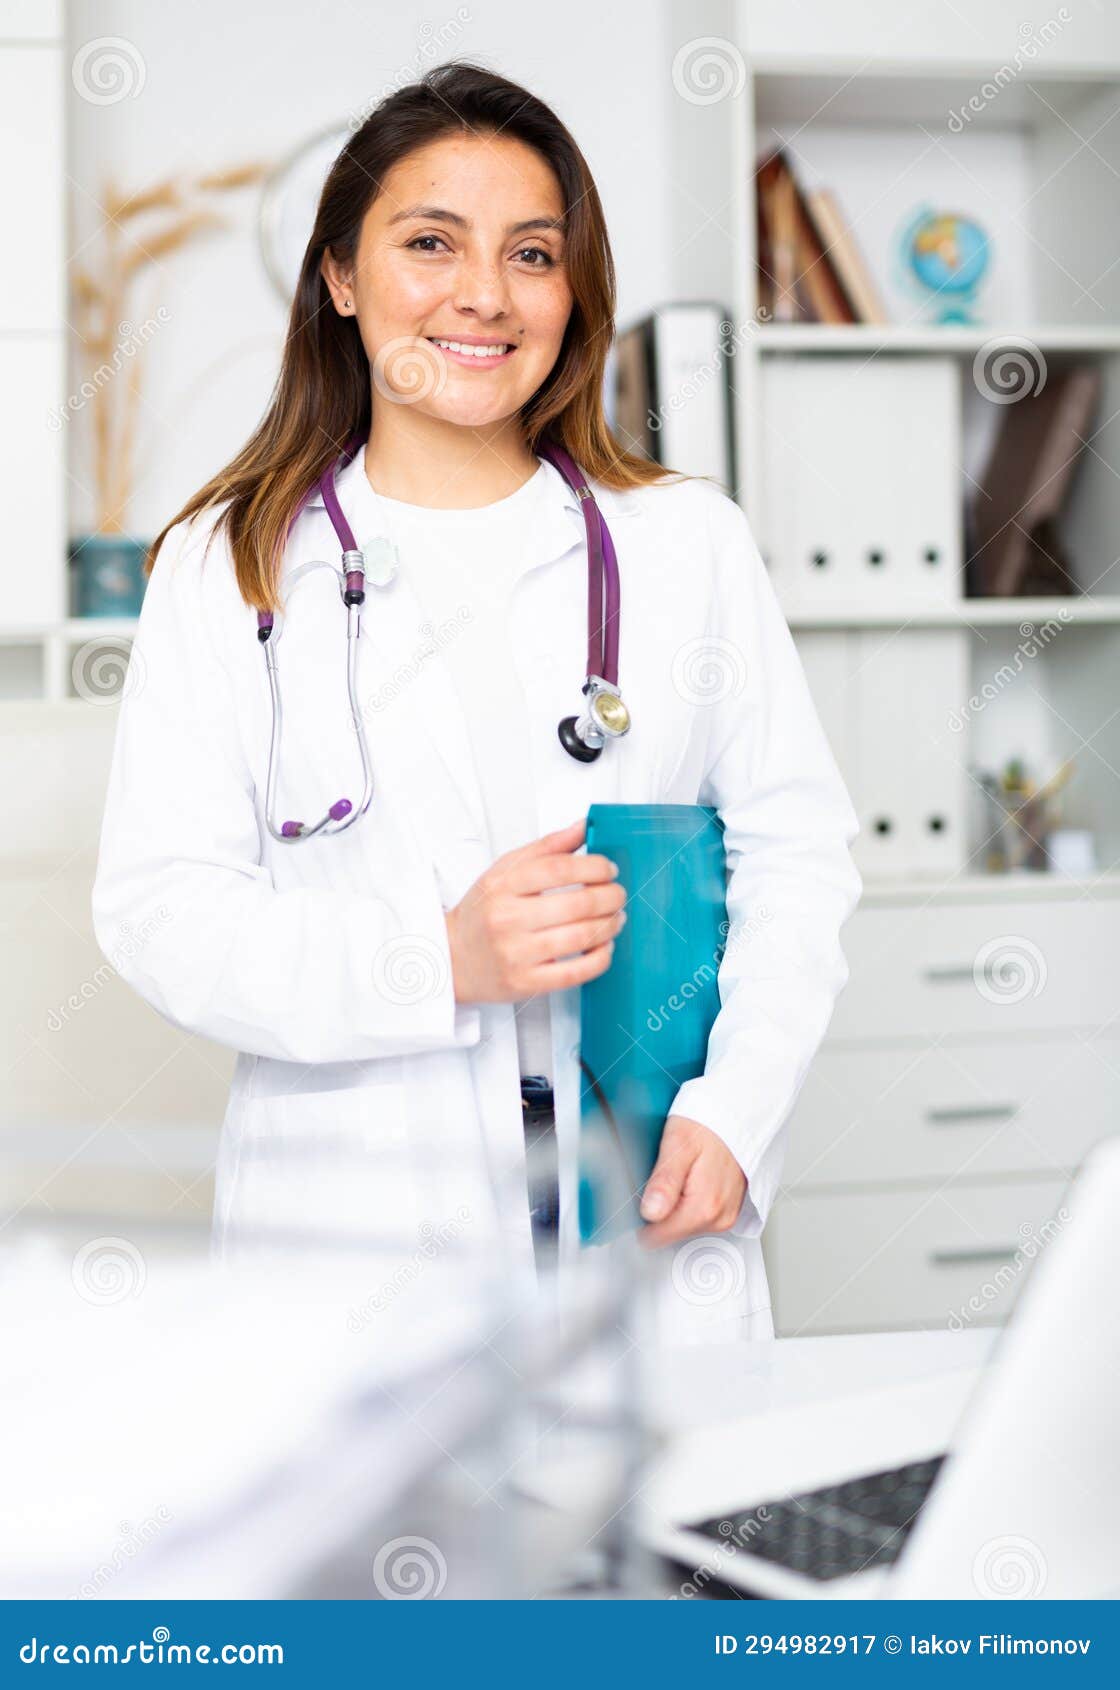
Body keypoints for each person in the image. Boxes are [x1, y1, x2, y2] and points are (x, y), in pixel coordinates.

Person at [92, 61, 862, 1343]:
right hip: (360, 1243)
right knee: (383, 1538)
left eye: (532, 252)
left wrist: (734, 1111)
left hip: (646, 1212)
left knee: (678, 1535)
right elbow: (160, 909)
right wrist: (433, 958)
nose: (484, 296)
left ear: (574, 291)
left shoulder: (685, 545)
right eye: (429, 242)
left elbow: (798, 853)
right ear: (340, 276)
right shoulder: (228, 561)